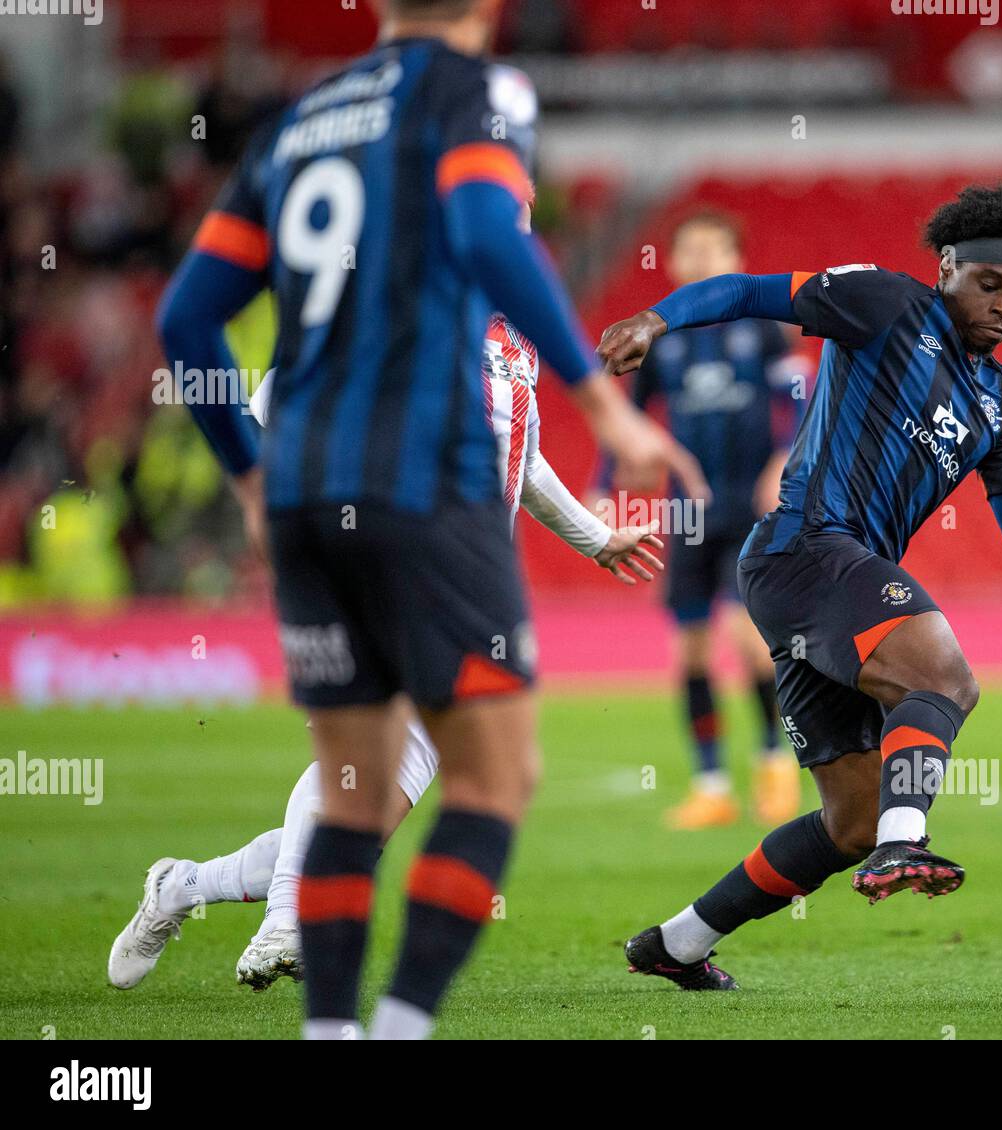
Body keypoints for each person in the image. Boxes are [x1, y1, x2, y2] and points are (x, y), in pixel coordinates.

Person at [155, 0, 704, 1038]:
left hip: (310, 498)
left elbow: (186, 317)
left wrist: (245, 480)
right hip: (420, 497)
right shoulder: (478, 94)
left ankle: (302, 996)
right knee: (492, 775)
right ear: (488, 9)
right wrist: (604, 405)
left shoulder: (303, 119)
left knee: (362, 783)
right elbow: (493, 228)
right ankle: (396, 1020)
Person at [597, 182, 1002, 989]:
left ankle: (676, 944)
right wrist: (658, 317)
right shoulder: (884, 303)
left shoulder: (998, 403)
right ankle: (906, 842)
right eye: (990, 285)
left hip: (828, 590)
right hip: (802, 550)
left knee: (848, 821)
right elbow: (751, 291)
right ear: (949, 268)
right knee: (945, 678)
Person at [110, 305, 663, 992]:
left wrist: (594, 538)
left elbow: (523, 459)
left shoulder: (511, 336)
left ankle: (181, 887)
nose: (510, 215)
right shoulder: (391, 287)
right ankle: (286, 920)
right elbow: (271, 399)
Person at [599, 211, 808, 830]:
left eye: (715, 249)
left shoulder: (765, 329)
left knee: (750, 645)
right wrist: (602, 485)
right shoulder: (660, 338)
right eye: (690, 250)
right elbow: (625, 421)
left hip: (749, 507)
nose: (701, 260)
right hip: (687, 511)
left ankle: (776, 762)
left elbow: (799, 400)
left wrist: (783, 460)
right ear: (672, 264)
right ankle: (711, 783)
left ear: (738, 261)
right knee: (689, 652)